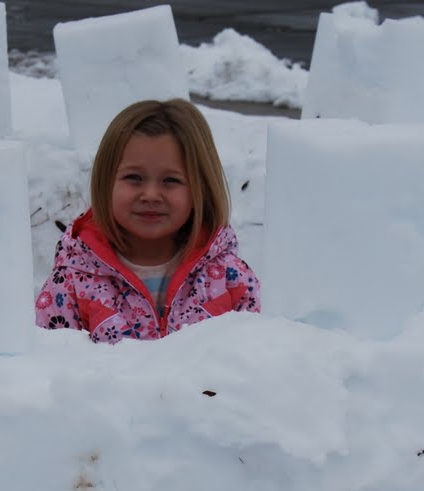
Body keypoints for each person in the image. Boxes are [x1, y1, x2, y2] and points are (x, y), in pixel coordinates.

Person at [35, 99, 260, 343]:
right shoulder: (71, 284)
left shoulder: (229, 278)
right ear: (106, 183)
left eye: (170, 181)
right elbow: (50, 369)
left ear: (200, 189)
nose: (151, 195)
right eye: (134, 178)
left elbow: (249, 365)